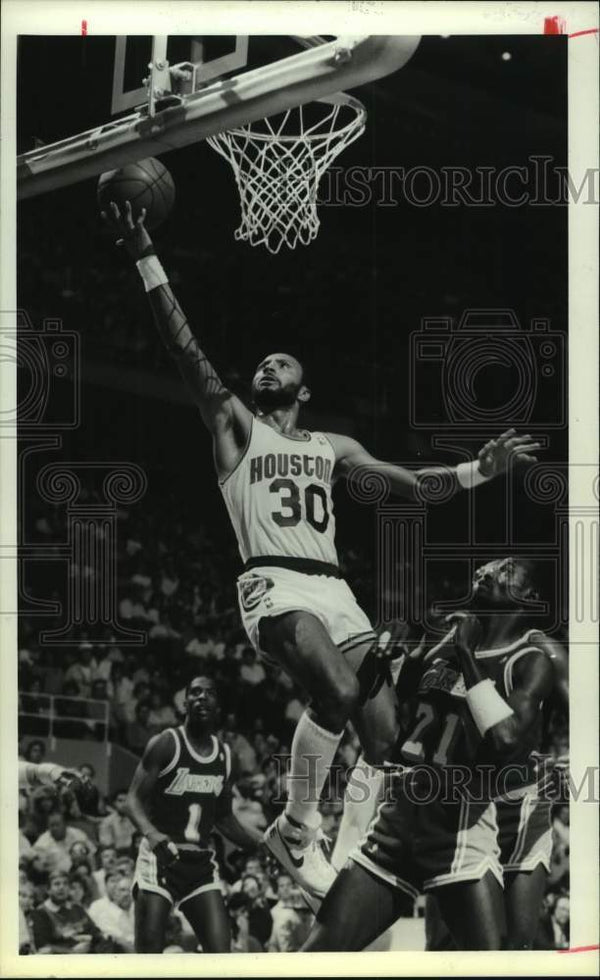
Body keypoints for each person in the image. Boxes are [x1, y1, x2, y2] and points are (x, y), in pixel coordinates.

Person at [103, 200, 540, 907]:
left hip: (336, 590)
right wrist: (144, 252)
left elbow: (406, 481)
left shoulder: (329, 447)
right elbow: (186, 350)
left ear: (304, 390)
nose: (265, 366)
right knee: (337, 693)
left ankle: (349, 854)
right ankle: (296, 828)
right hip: (273, 584)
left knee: (386, 739)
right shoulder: (235, 427)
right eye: (262, 364)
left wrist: (474, 473)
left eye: (281, 364)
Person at [302, 558, 561, 951]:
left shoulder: (528, 660)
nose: (485, 573)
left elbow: (507, 740)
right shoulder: (447, 639)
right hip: (397, 820)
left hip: (460, 830)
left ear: (530, 596)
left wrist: (468, 656)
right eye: (482, 569)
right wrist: (387, 655)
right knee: (316, 956)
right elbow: (392, 710)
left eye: (505, 570)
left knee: (497, 965)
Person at [125, 675, 262, 952]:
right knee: (147, 958)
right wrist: (152, 834)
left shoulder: (226, 757)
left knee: (221, 955)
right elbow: (133, 800)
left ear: (218, 706)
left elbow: (224, 819)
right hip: (160, 860)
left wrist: (267, 844)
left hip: (199, 864)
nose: (201, 697)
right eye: (195, 692)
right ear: (185, 703)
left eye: (208, 693)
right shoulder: (165, 743)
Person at [29, 870, 104, 954]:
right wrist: (72, 951)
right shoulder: (40, 913)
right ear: (48, 890)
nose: (62, 887)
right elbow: (43, 946)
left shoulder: (77, 908)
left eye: (65, 884)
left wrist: (89, 938)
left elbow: (96, 932)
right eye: (57, 884)